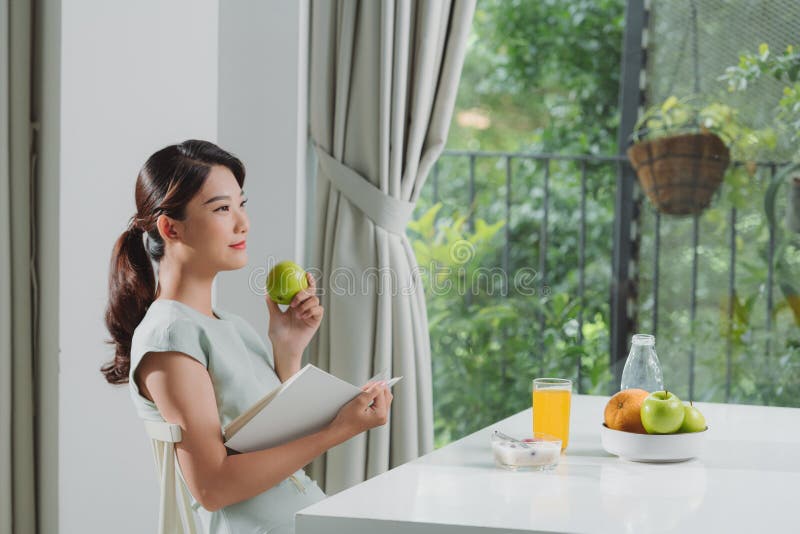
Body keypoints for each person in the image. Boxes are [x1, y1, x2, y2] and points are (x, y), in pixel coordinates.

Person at [101, 139, 393, 534]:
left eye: (242, 204)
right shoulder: (170, 337)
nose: (243, 223)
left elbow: (271, 437)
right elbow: (212, 487)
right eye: (222, 208)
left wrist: (287, 349)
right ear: (170, 227)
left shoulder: (228, 324)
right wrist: (338, 431)